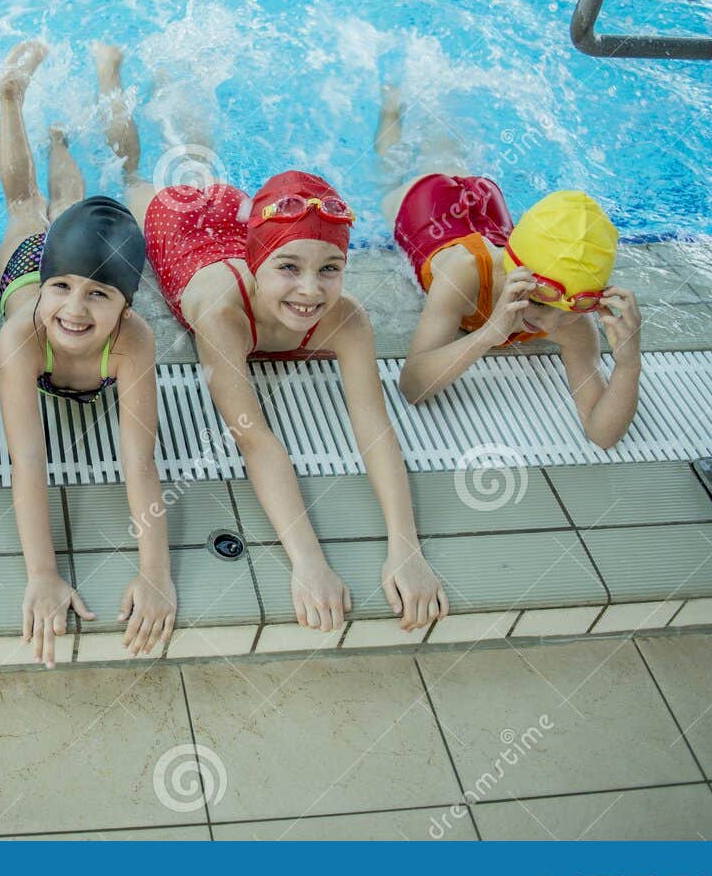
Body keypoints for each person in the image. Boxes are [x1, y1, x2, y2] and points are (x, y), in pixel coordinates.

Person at [121, 61, 448, 635]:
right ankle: (115, 81)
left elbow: (374, 429)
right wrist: (309, 562)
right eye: (290, 269)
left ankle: (180, 75)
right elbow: (255, 437)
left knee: (198, 151)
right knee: (139, 177)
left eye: (331, 269)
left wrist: (407, 548)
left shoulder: (344, 318)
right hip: (184, 231)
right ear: (259, 262)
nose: (310, 291)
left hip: (247, 226)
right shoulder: (224, 319)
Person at [0, 41, 171, 667]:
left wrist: (156, 572)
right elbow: (27, 460)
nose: (75, 310)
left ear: (126, 308)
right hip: (24, 275)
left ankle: (60, 138)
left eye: (98, 296)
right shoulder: (24, 334)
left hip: (64, 265)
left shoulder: (134, 342)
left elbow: (139, 462)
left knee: (69, 203)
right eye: (64, 290)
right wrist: (42, 573)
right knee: (24, 209)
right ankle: (10, 98)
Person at [377, 85, 641, 448]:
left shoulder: (573, 321)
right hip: (425, 208)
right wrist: (488, 334)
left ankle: (437, 94)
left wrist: (628, 364)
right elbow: (412, 387)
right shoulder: (464, 276)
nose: (548, 323)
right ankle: (395, 104)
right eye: (536, 302)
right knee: (390, 173)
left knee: (450, 155)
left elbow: (602, 435)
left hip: (489, 210)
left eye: (564, 312)